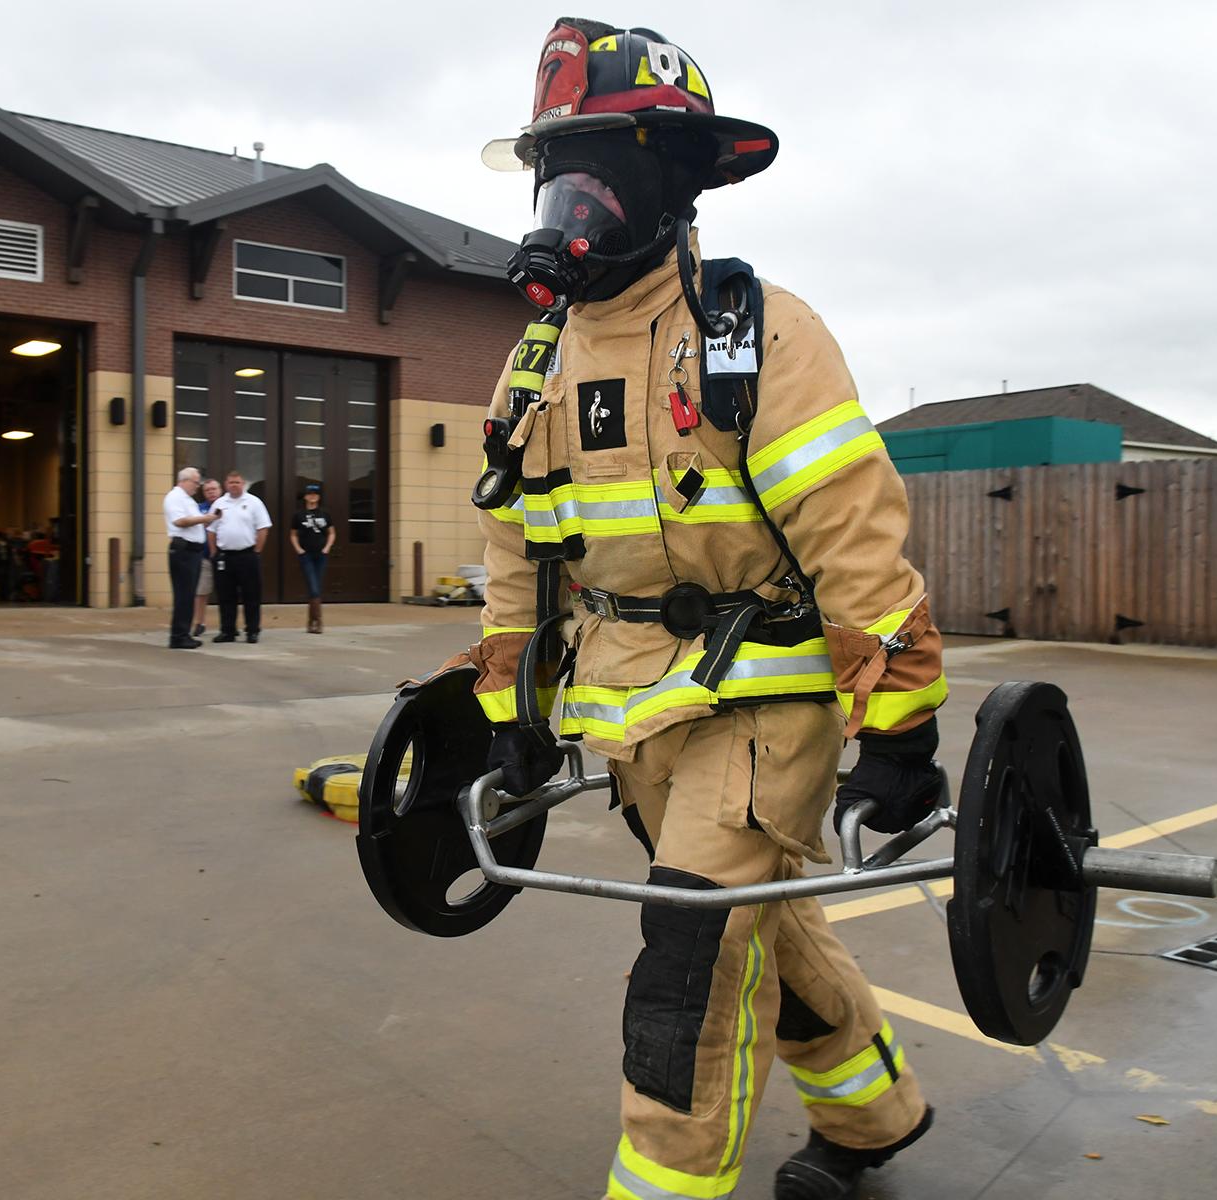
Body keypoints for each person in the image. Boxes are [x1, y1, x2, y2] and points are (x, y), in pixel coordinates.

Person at [468, 23, 946, 1199]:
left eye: (600, 166)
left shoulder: (758, 333)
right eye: (555, 167)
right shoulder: (537, 360)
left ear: (675, 178)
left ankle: (661, 1185)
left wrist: (903, 722)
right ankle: (876, 1116)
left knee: (688, 955)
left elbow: (849, 529)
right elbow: (514, 554)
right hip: (630, 706)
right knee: (761, 931)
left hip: (768, 700)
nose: (569, 198)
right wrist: (507, 713)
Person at [208, 470, 272, 644]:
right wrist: (214, 552)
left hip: (247, 556)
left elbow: (263, 528)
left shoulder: (254, 502)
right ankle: (227, 631)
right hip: (224, 557)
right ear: (226, 484)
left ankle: (252, 631)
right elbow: (211, 531)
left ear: (243, 484)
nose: (234, 485)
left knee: (251, 595)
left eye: (237, 482)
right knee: (225, 596)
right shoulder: (219, 504)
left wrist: (256, 551)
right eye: (231, 482)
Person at [162, 467, 219, 649]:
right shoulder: (174, 497)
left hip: (191, 551)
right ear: (185, 480)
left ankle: (183, 633)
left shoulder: (187, 500)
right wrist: (204, 518)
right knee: (184, 595)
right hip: (183, 551)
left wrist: (205, 519)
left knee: (188, 594)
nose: (197, 487)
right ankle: (178, 636)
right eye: (196, 483)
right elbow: (179, 521)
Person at [289, 484, 336, 633]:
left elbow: (332, 533)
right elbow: (293, 535)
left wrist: (327, 548)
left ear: (319, 497)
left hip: (321, 555)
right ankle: (318, 621)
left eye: (315, 494)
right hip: (306, 555)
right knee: (313, 586)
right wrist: (299, 549)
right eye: (309, 493)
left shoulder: (325, 514)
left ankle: (312, 622)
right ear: (305, 496)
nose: (312, 496)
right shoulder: (298, 515)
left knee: (315, 587)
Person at [192, 478, 223, 636]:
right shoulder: (199, 509)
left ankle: (227, 624)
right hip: (204, 556)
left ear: (220, 490)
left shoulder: (227, 505)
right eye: (207, 490)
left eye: (213, 489)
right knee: (201, 591)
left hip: (225, 555)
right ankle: (199, 622)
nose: (211, 492)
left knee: (227, 591)